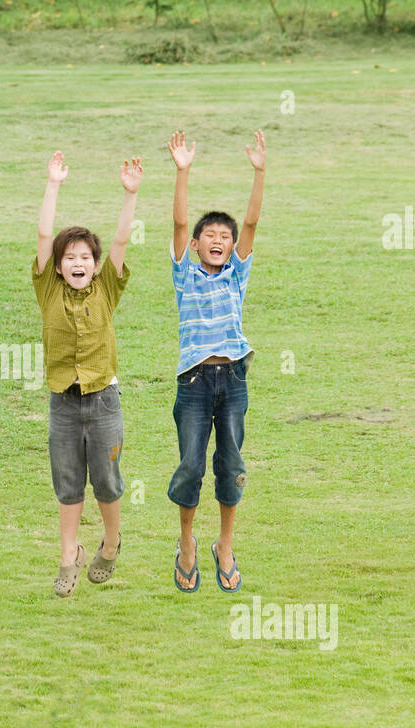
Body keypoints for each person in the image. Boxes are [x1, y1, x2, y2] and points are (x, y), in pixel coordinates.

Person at [33, 151, 142, 597]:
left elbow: (119, 242)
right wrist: (53, 183)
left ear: (95, 265)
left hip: (103, 401)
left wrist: (129, 195)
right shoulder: (47, 289)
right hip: (63, 401)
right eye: (69, 257)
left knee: (108, 480)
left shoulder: (108, 287)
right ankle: (68, 555)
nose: (78, 262)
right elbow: (43, 233)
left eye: (85, 257)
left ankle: (111, 543)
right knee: (67, 482)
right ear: (58, 266)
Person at [164, 129, 266, 593]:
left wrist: (259, 173)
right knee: (191, 465)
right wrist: (182, 171)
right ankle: (187, 543)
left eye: (223, 237)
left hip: (234, 379)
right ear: (199, 245)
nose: (219, 240)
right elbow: (180, 225)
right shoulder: (186, 276)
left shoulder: (235, 277)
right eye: (211, 236)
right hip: (193, 383)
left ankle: (224, 544)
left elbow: (251, 226)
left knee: (231, 462)